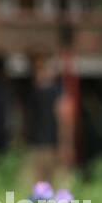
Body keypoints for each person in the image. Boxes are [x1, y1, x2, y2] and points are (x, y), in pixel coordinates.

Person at [24, 51, 64, 182]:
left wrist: (65, 145)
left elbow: (64, 120)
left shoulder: (57, 92)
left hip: (53, 145)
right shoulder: (32, 91)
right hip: (35, 145)